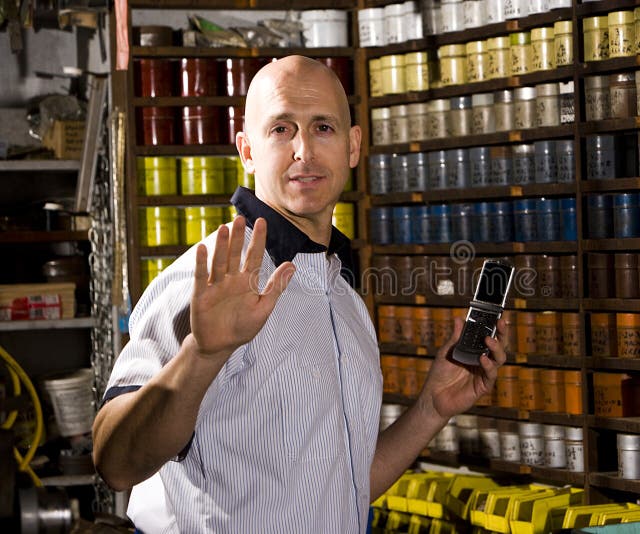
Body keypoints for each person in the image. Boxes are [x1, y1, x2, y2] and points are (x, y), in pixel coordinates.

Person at [92, 55, 508, 532]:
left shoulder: (341, 295)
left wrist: (430, 409)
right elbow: (115, 462)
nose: (304, 151)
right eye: (281, 130)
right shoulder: (202, 280)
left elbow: (335, 492)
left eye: (323, 128)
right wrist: (203, 355)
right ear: (247, 151)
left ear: (353, 146)